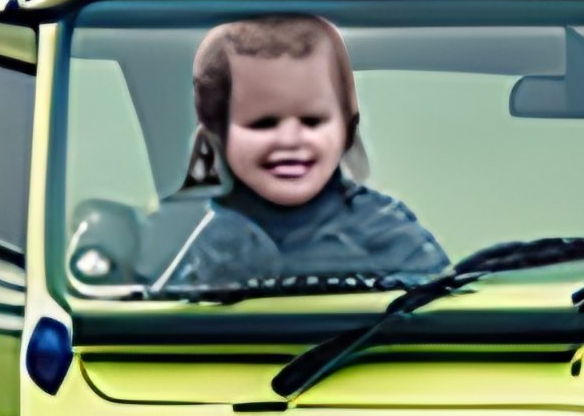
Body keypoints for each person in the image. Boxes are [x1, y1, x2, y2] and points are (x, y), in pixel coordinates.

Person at [146, 15, 446, 291]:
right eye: (263, 124)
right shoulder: (191, 239)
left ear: (347, 129)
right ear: (217, 134)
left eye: (313, 121)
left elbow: (438, 320)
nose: (290, 140)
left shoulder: (385, 233)